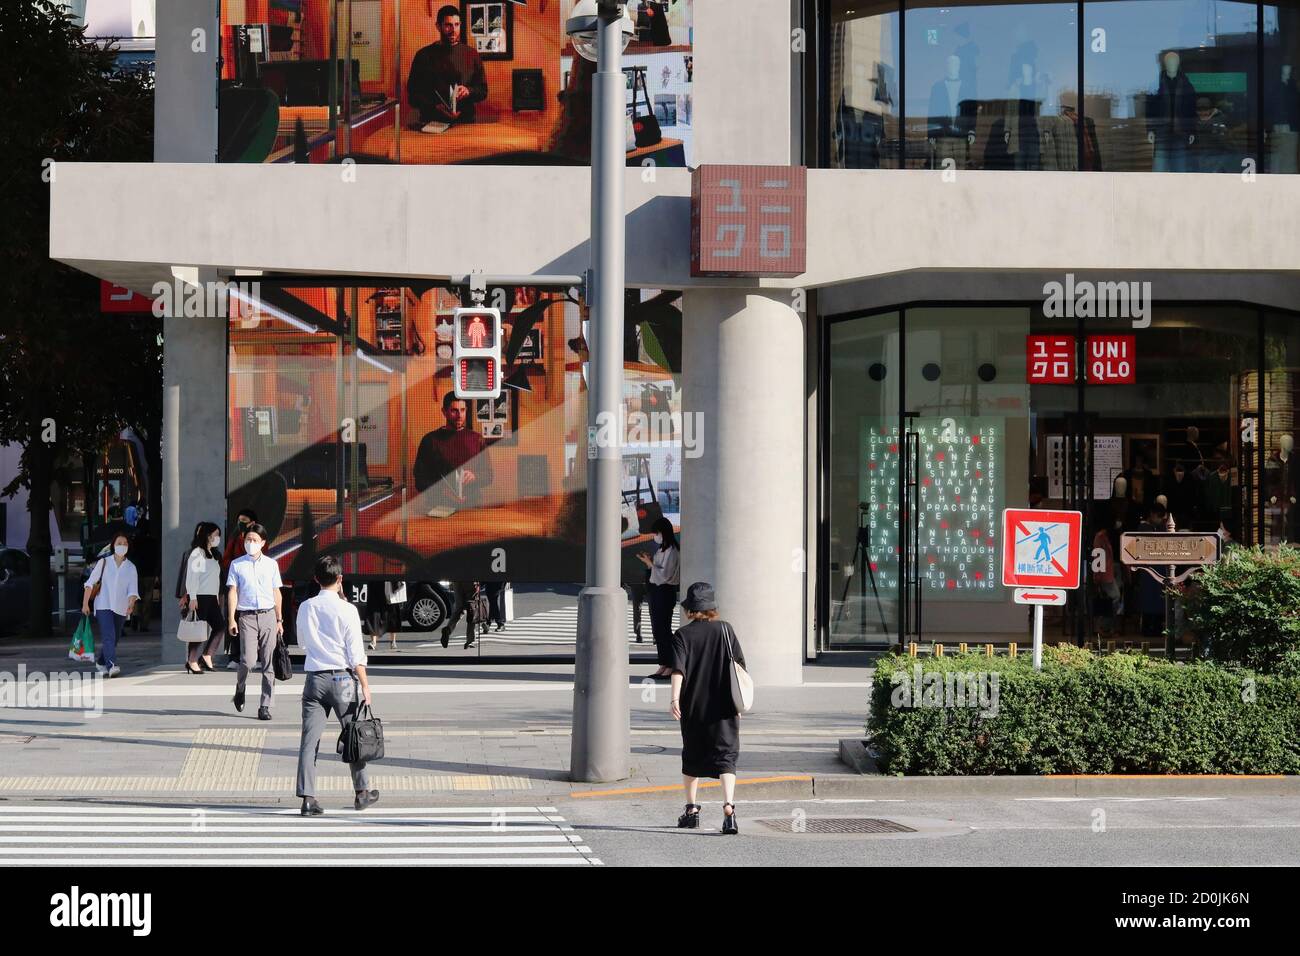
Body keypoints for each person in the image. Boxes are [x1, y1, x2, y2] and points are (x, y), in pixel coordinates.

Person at [295, 555, 378, 816]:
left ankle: (308, 798)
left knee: (309, 741)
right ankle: (361, 793)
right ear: (340, 580)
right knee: (353, 735)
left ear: (316, 579)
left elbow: (303, 645)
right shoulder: (348, 610)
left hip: (315, 679)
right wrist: (365, 685)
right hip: (343, 679)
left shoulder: (306, 607)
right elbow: (356, 654)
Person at [669, 582, 744, 835]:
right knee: (726, 756)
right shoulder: (726, 630)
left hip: (694, 705)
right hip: (724, 705)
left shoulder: (682, 635)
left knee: (692, 755)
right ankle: (729, 810)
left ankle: (691, 811)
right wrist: (739, 702)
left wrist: (675, 699)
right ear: (712, 607)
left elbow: (679, 669)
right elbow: (740, 666)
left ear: (690, 609)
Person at [226, 523, 283, 721]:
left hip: (268, 614)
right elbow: (232, 591)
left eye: (255, 540)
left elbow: (277, 592)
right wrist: (231, 619)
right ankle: (240, 687)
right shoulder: (237, 564)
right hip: (247, 616)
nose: (251, 543)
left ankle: (265, 705)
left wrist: (279, 619)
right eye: (248, 540)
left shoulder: (271, 564)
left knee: (268, 662)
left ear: (263, 543)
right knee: (248, 661)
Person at [407, 5, 488, 127]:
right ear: (438, 26)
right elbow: (412, 95)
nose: (453, 30)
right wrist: (434, 106)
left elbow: (483, 91)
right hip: (432, 123)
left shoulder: (472, 54)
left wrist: (468, 91)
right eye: (448, 25)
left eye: (456, 25)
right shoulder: (423, 55)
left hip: (465, 124)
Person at [413, 392, 494, 505]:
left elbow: (488, 476)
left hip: (472, 505)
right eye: (454, 410)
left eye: (462, 410)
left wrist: (475, 476)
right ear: (444, 412)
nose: (459, 415)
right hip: (439, 505)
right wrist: (443, 492)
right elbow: (420, 481)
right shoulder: (430, 440)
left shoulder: (477, 439)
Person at [81, 532, 139, 677]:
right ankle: (111, 665)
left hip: (121, 607)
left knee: (115, 638)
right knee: (109, 636)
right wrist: (85, 604)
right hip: (103, 605)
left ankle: (101, 662)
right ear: (113, 545)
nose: (122, 546)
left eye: (125, 543)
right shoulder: (104, 562)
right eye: (119, 543)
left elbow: (133, 589)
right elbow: (90, 583)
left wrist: (131, 603)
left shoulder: (131, 567)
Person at [178, 522, 226, 674]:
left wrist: (217, 596)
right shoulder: (197, 553)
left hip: (211, 597)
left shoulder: (213, 554)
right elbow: (192, 576)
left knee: (219, 626)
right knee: (198, 629)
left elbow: (215, 578)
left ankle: (207, 655)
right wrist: (192, 597)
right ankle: (191, 660)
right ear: (207, 535)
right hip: (199, 596)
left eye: (218, 535)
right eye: (215, 534)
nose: (217, 537)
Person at [637, 517, 679, 679]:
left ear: (664, 532)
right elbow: (657, 571)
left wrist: (650, 563)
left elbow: (665, 575)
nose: (656, 535)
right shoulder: (662, 549)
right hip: (656, 591)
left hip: (665, 591)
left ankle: (670, 664)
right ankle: (663, 663)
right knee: (657, 629)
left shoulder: (672, 551)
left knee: (664, 629)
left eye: (657, 532)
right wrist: (648, 562)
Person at [221, 508, 257, 669]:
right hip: (237, 585)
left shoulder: (258, 538)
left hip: (254, 586)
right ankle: (234, 656)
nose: (240, 524)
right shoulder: (235, 538)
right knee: (234, 619)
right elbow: (226, 559)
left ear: (252, 523)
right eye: (239, 520)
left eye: (244, 520)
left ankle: (254, 656)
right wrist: (236, 567)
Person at [441, 580, 482, 649]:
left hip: (457, 581)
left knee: (459, 609)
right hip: (470, 581)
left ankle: (448, 629)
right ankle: (470, 640)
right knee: (472, 610)